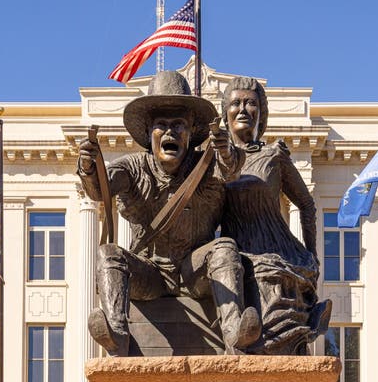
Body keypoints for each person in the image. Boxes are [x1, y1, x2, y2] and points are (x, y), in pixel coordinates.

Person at [77, 70, 261, 357]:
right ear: (149, 133)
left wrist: (225, 150)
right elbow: (100, 189)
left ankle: (235, 334)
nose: (171, 132)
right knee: (109, 253)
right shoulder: (133, 167)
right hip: (149, 274)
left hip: (193, 270)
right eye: (162, 125)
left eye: (179, 125)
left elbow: (231, 169)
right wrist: (88, 168)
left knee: (224, 248)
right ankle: (117, 333)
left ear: (190, 132)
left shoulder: (205, 164)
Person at [220, 76, 331, 354]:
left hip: (274, 248)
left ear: (262, 113)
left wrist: (311, 253)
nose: (243, 109)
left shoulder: (274, 156)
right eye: (235, 103)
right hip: (233, 252)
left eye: (251, 103)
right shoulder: (213, 159)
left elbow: (306, 204)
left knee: (270, 279)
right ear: (225, 114)